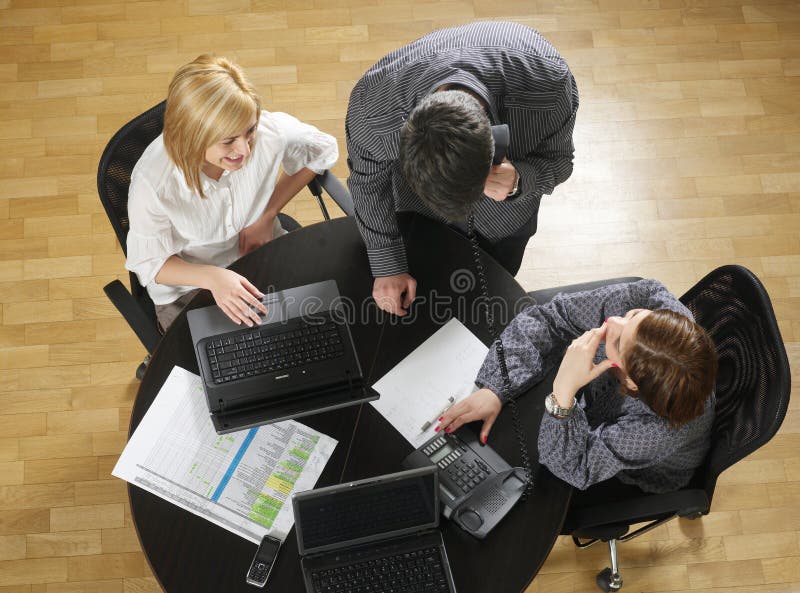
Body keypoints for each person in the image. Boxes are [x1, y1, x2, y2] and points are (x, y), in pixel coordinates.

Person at [345, 21, 578, 316]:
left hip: (504, 225)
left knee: (490, 303)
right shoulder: (374, 110)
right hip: (419, 221)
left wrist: (520, 180)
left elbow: (560, 162)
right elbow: (368, 182)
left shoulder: (547, 84)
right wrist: (388, 265)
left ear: (493, 145)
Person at [437, 279, 718, 494]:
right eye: (634, 316)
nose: (613, 322)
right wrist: (496, 386)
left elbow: (573, 466)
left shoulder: (657, 431)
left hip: (642, 471)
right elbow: (551, 317)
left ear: (630, 380)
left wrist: (563, 392)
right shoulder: (650, 299)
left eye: (618, 343)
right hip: (596, 402)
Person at [126, 55, 338, 330]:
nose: (245, 151)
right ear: (193, 136)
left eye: (249, 131)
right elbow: (150, 263)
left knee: (317, 330)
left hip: (259, 256)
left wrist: (266, 214)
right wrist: (214, 278)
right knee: (229, 364)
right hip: (191, 288)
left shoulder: (269, 133)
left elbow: (321, 150)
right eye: (228, 141)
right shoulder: (153, 183)